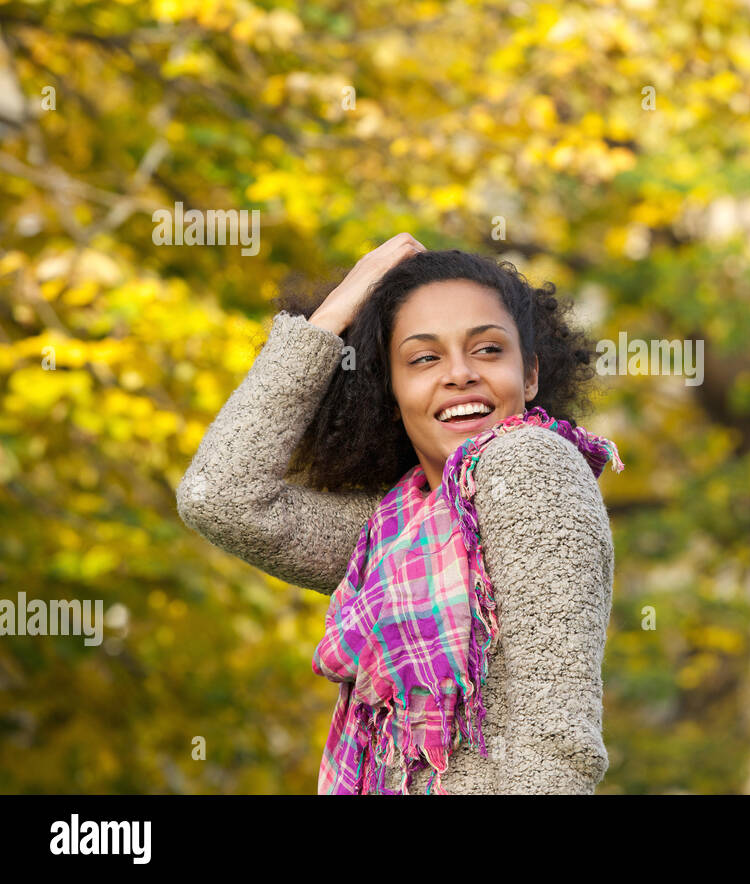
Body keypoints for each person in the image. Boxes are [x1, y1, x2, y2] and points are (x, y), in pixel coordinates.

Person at [175, 234, 624, 793]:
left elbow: (555, 740)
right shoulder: (397, 531)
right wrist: (338, 310)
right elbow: (220, 497)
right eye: (424, 358)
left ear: (529, 375)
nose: (459, 373)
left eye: (487, 349)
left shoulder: (529, 464)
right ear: (391, 392)